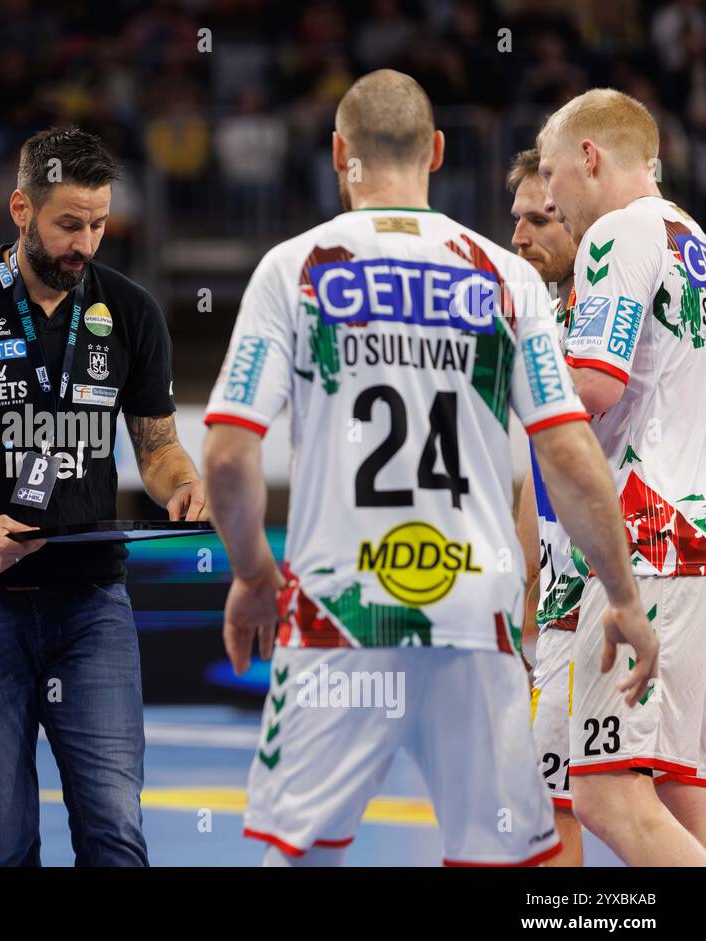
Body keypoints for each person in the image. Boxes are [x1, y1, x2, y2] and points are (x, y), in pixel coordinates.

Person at [202, 69, 664, 867]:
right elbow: (567, 451)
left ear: (339, 152)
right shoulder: (503, 276)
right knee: (508, 858)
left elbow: (230, 451)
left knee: (300, 851)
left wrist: (250, 573)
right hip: (473, 614)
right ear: (439, 152)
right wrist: (621, 592)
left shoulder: (295, 268)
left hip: (342, 608)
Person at [0, 127, 205, 866]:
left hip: (91, 601)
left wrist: (183, 483)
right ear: (20, 208)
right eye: (67, 224)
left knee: (116, 829)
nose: (84, 243)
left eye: (97, 224)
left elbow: (157, 447)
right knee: (1, 840)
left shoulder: (129, 310)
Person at [538, 88, 706, 865]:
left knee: (601, 790)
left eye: (550, 173)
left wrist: (502, 380)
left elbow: (593, 386)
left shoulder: (619, 232)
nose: (548, 197)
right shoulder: (689, 236)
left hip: (645, 534)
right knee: (678, 791)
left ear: (589, 158)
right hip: (690, 533)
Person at [505, 147, 585, 866]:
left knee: (634, 798)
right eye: (516, 220)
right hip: (569, 605)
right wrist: (519, 591)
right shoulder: (548, 323)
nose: (520, 237)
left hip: (641, 589)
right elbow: (542, 476)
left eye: (540, 219)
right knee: (550, 798)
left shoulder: (613, 320)